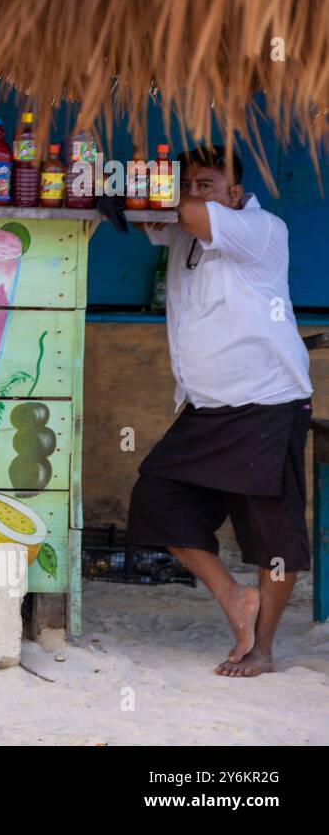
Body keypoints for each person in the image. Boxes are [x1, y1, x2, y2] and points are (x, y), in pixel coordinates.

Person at [127, 145, 313, 677]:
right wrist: (134, 163)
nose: (190, 193)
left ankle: (262, 648)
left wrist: (159, 187)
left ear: (235, 193)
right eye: (185, 182)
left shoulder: (260, 228)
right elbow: (152, 215)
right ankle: (236, 598)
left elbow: (170, 208)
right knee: (157, 498)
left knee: (271, 534)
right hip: (206, 408)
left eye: (204, 184)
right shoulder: (187, 232)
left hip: (267, 402)